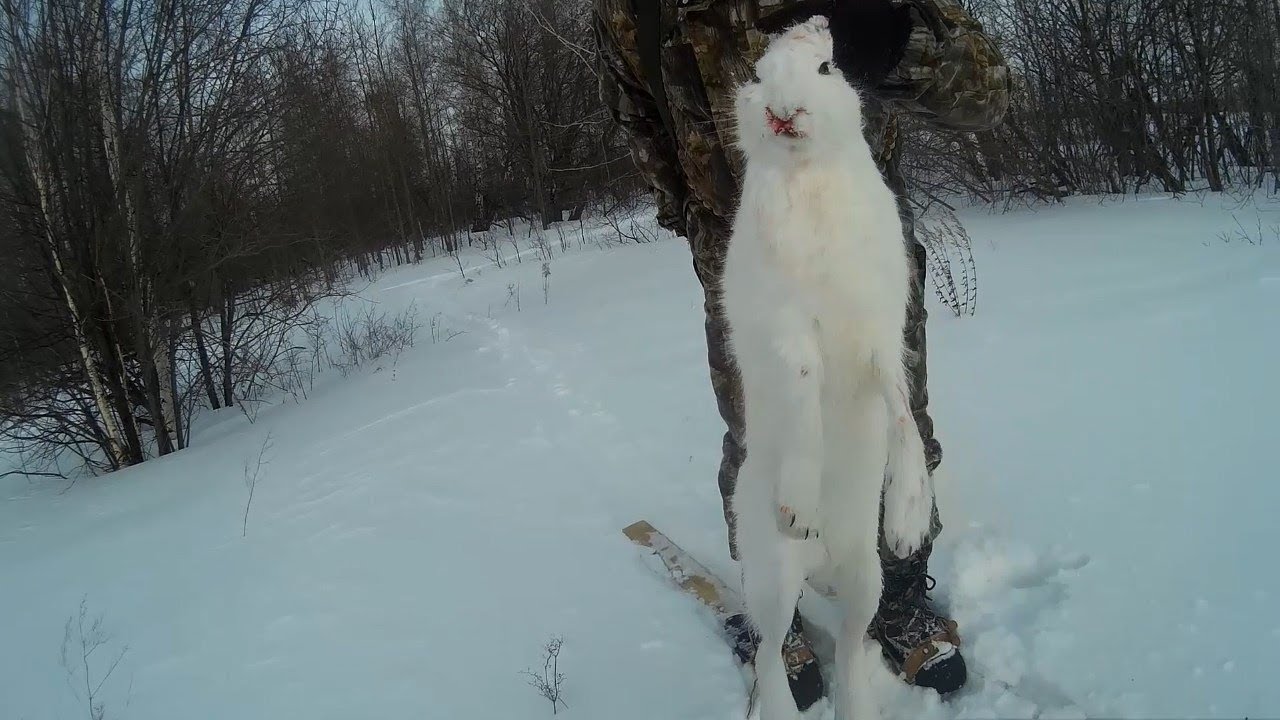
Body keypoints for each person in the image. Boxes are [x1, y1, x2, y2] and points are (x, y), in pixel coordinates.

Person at [591, 0, 1011, 708]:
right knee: (760, 433)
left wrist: (893, 42)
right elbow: (640, 116)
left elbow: (987, 93)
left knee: (889, 417)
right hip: (752, 263)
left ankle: (898, 591)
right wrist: (694, 220)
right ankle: (773, 610)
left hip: (857, 254)